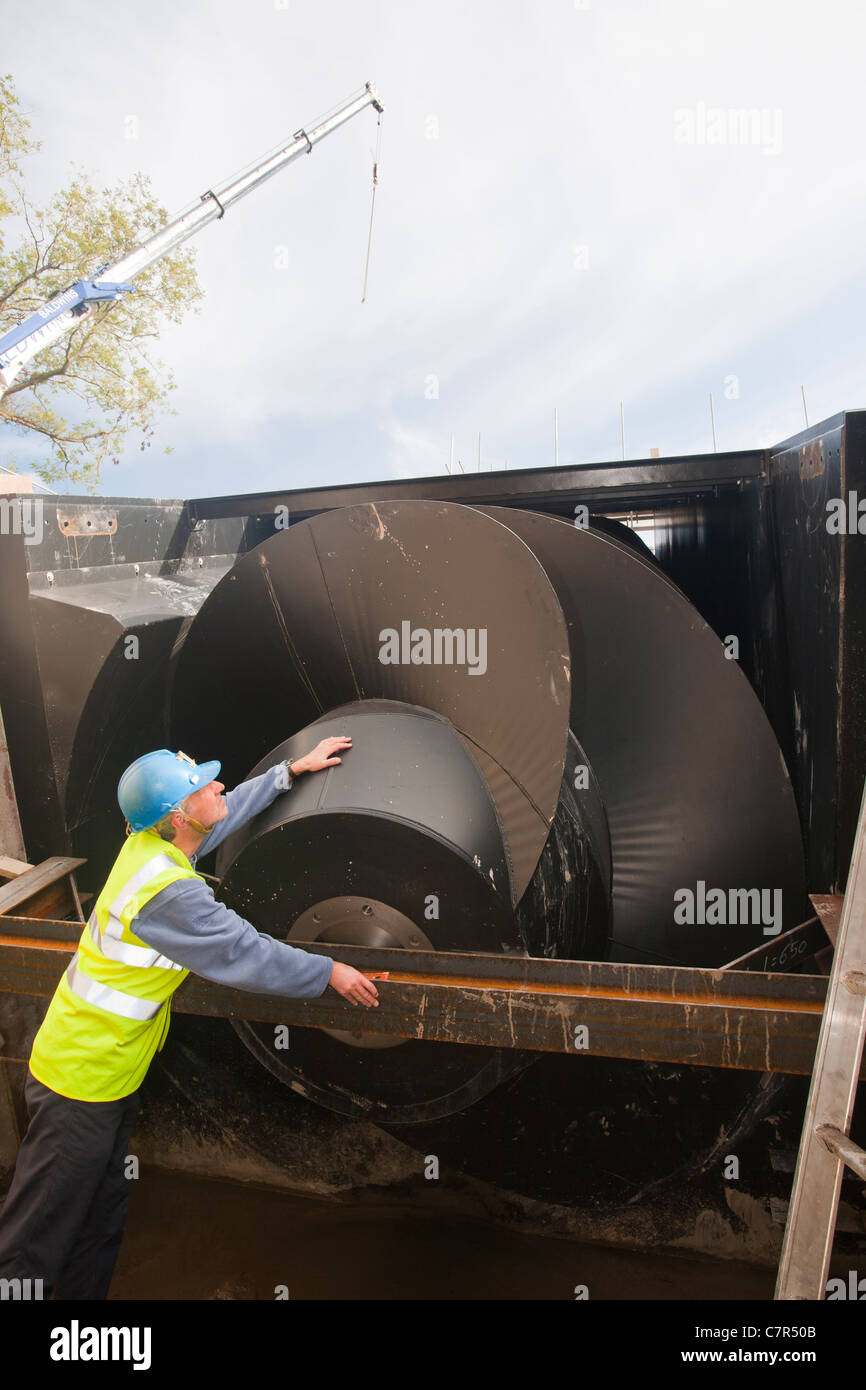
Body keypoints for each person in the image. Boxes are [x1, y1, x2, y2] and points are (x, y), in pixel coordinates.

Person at [0, 738, 378, 1300]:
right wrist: (329, 972)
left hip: (106, 1078)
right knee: (33, 1245)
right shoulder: (168, 894)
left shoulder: (153, 847)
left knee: (100, 1221)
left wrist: (287, 773)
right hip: (78, 1084)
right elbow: (243, 952)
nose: (218, 785)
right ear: (177, 816)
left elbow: (218, 824)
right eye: (205, 784)